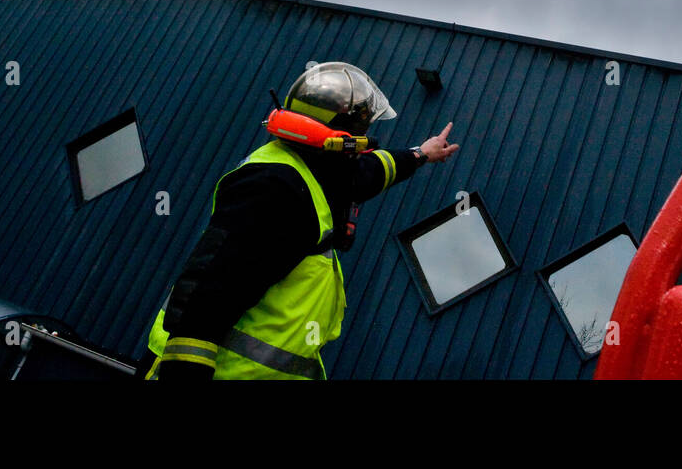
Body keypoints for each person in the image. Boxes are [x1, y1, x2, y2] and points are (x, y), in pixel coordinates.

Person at [140, 61, 460, 380]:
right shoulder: (274, 187)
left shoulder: (321, 168)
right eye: (361, 127)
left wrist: (421, 153)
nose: (365, 136)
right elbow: (206, 296)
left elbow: (373, 171)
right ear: (342, 131)